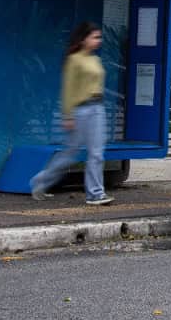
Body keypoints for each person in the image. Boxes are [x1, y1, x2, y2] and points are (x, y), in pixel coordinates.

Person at [30, 21, 114, 205]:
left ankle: (95, 194)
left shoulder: (95, 59)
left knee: (97, 153)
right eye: (94, 37)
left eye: (99, 37)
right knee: (70, 153)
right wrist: (67, 115)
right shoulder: (74, 59)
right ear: (84, 39)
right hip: (81, 110)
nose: (98, 40)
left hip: (98, 108)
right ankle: (40, 181)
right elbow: (68, 89)